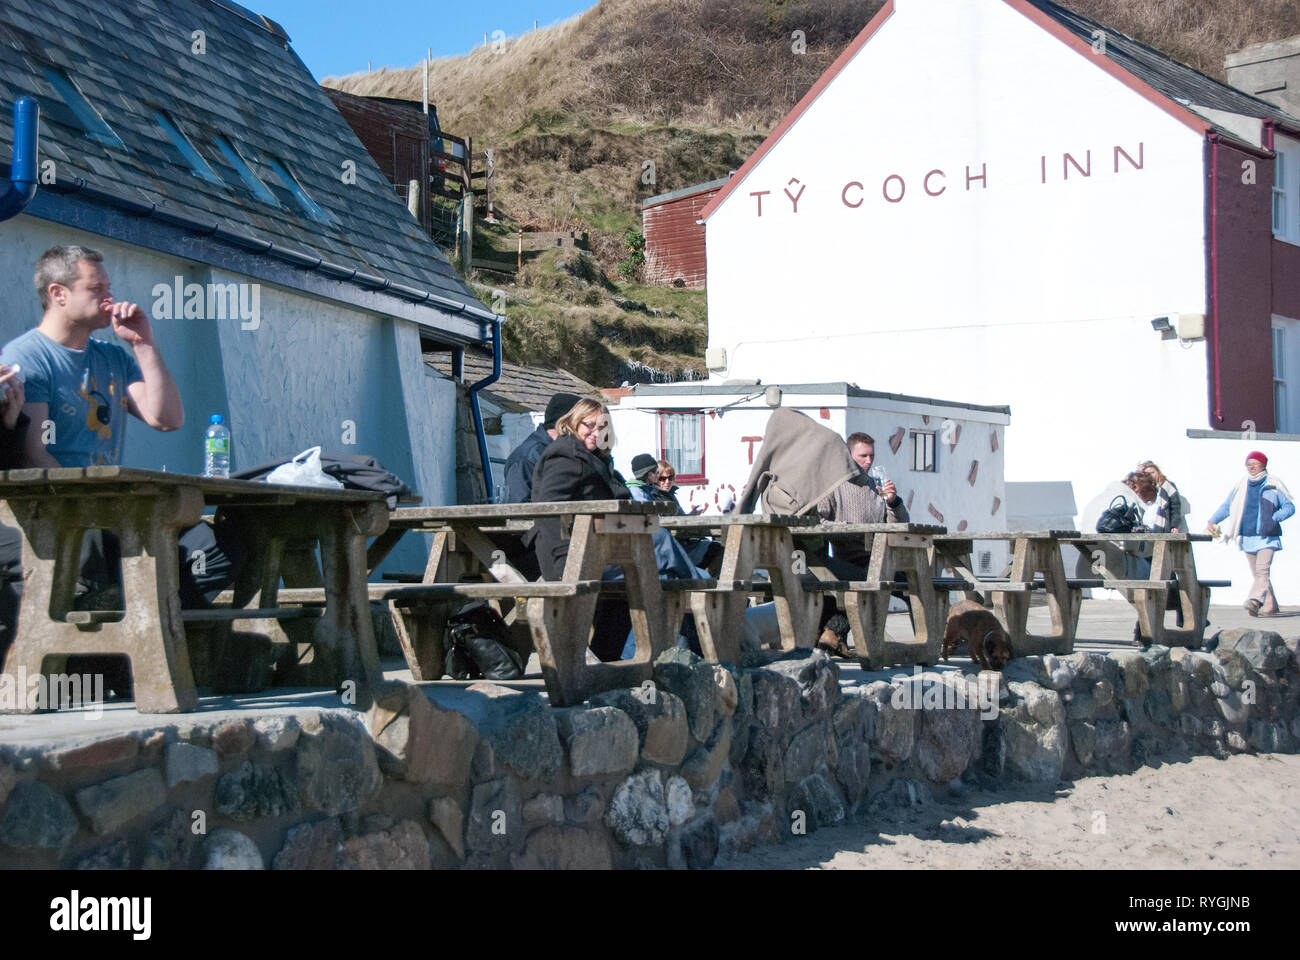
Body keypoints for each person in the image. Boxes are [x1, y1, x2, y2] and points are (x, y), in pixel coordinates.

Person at [0, 245, 242, 690]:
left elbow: (166, 418)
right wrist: (98, 507)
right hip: (62, 512)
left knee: (221, 547)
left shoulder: (111, 358)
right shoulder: (28, 358)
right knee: (117, 556)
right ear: (58, 293)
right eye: (96, 288)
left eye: (109, 287)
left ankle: (151, 658)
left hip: (113, 513)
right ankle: (125, 668)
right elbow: (35, 454)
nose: (110, 297)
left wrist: (144, 342)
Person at [814, 432, 909, 656]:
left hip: (880, 557)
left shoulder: (876, 486)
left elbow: (901, 524)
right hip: (846, 559)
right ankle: (836, 634)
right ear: (848, 456)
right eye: (863, 456)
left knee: (914, 583)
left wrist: (893, 502)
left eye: (872, 456)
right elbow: (819, 521)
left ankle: (931, 642)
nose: (869, 461)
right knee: (870, 581)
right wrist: (845, 527)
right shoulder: (833, 486)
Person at [1206, 451, 1294, 617]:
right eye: (1249, 463)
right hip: (1247, 536)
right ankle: (1270, 605)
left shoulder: (1273, 485)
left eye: (1255, 463)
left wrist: (1275, 518)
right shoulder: (1241, 485)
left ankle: (1254, 601)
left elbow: (1289, 507)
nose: (1251, 466)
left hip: (1267, 536)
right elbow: (1227, 506)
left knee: (1262, 572)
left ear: (1263, 465)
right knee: (1259, 576)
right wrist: (1213, 521)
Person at [502, 391, 580, 503]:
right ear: (566, 424)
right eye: (581, 423)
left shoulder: (568, 450)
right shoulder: (527, 458)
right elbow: (519, 508)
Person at [1138, 460, 1183, 533]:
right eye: (1147, 473)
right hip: (1146, 527)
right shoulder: (1145, 489)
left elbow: (1175, 506)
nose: (1151, 475)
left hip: (1161, 526)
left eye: (1153, 472)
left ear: (1158, 472)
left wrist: (1174, 526)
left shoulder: (1167, 486)